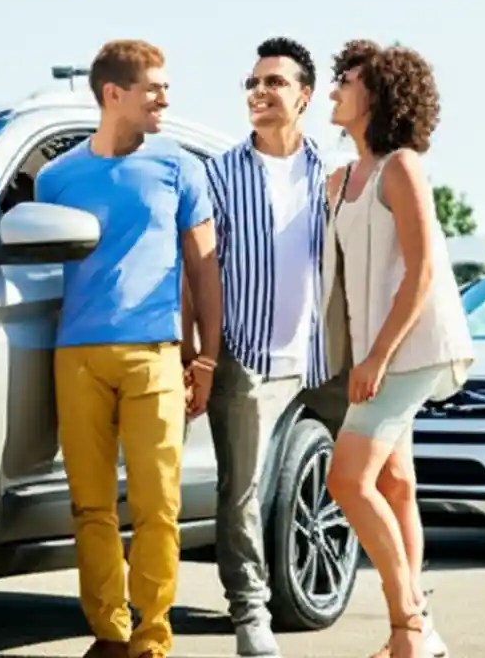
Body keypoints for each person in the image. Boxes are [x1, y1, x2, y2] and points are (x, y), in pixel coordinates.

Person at [35, 39, 222, 658]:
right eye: (154, 88)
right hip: (77, 357)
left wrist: (206, 358)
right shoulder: (58, 178)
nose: (165, 99)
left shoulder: (178, 167)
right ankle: (109, 634)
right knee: (90, 506)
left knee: (157, 506)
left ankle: (151, 637)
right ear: (114, 94)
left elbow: (203, 267)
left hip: (155, 355)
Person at [321, 39, 473, 658]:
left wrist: (376, 357)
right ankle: (413, 634)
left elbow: (422, 276)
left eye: (346, 80)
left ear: (378, 95)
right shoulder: (342, 178)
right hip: (380, 347)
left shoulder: (401, 167)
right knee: (395, 483)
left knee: (347, 481)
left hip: (411, 347)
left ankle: (410, 624)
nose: (333, 90)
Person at [197, 36, 338, 657]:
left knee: (366, 475)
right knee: (242, 493)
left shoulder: (332, 174)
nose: (259, 92)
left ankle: (407, 606)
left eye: (274, 83)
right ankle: (250, 614)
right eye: (252, 84)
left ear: (304, 95)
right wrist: (202, 353)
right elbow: (196, 270)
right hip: (244, 357)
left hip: (319, 356)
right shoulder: (220, 174)